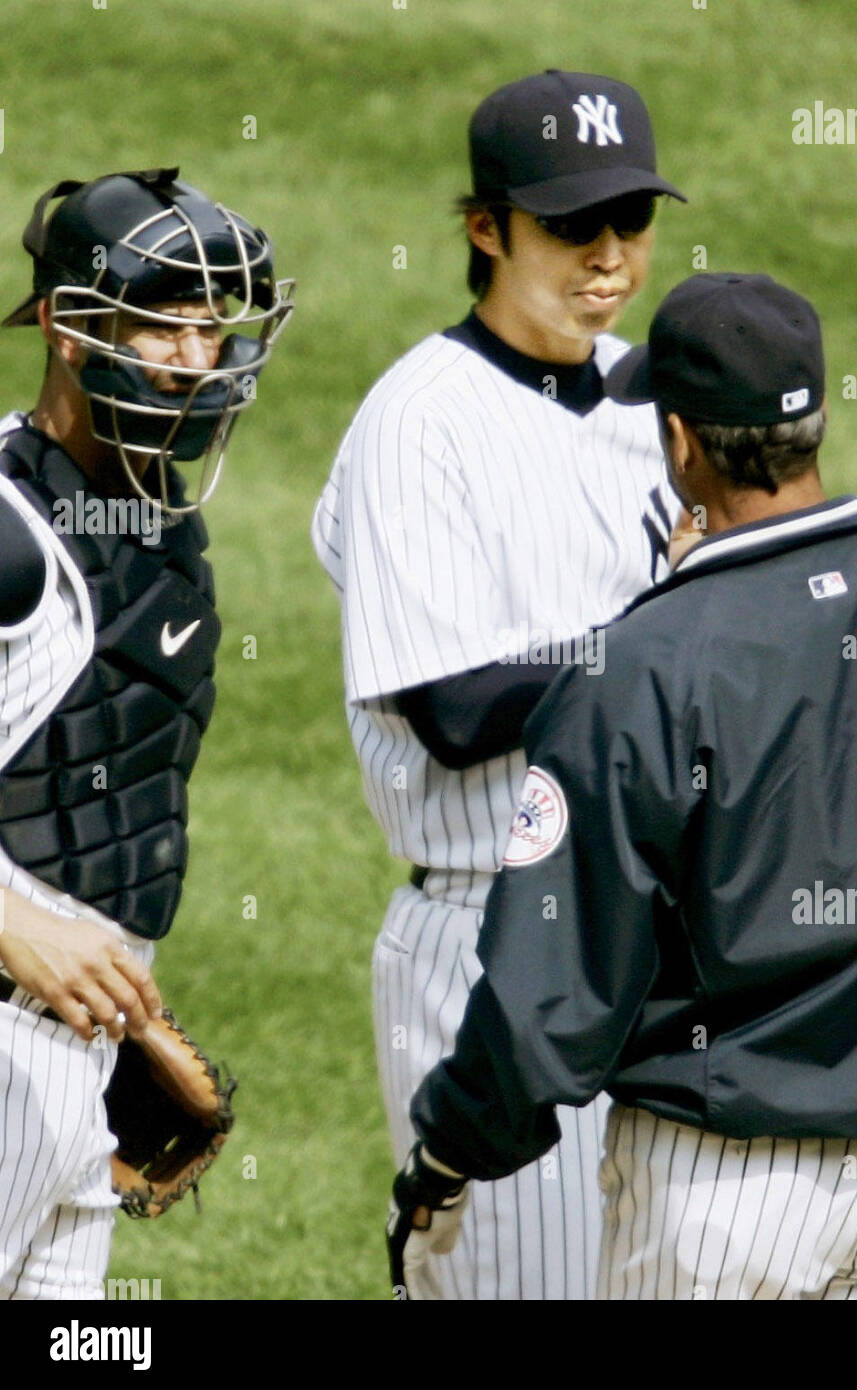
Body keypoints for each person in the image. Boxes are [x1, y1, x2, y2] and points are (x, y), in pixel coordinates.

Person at [388, 272, 857, 1300]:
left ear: (679, 442)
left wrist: (446, 1158)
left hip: (720, 1194)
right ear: (813, 424)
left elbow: (547, 1007)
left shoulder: (636, 669)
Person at [312, 69, 686, 1300]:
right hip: (493, 944)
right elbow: (454, 707)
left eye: (628, 222)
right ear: (485, 229)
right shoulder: (419, 420)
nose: (609, 258)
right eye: (573, 226)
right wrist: (653, 639)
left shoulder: (653, 402)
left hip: (657, 936)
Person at [0, 167, 293, 1299]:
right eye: (162, 322)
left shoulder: (163, 533)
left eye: (213, 325)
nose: (196, 355)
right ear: (72, 332)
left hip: (82, 1060)